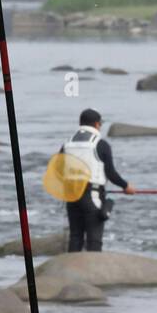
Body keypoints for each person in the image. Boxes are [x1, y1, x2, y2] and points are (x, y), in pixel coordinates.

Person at [60, 108, 136, 252]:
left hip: (71, 196)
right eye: (100, 124)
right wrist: (126, 186)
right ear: (96, 124)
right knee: (94, 240)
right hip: (92, 195)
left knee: (75, 237)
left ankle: (72, 269)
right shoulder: (100, 144)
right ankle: (92, 272)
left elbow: (58, 170)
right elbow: (111, 173)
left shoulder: (67, 144)